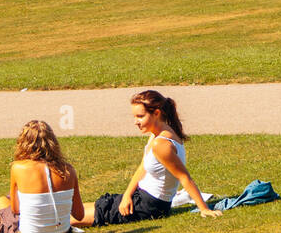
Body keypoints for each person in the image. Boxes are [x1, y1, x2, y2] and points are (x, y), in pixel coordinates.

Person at [73, 90, 222, 226]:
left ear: (156, 113)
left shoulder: (161, 143)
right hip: (140, 196)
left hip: (149, 206)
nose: (136, 121)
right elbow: (142, 167)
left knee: (73, 218)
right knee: (79, 210)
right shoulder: (156, 134)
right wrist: (127, 195)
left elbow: (184, 178)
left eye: (140, 116)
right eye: (135, 117)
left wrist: (204, 209)